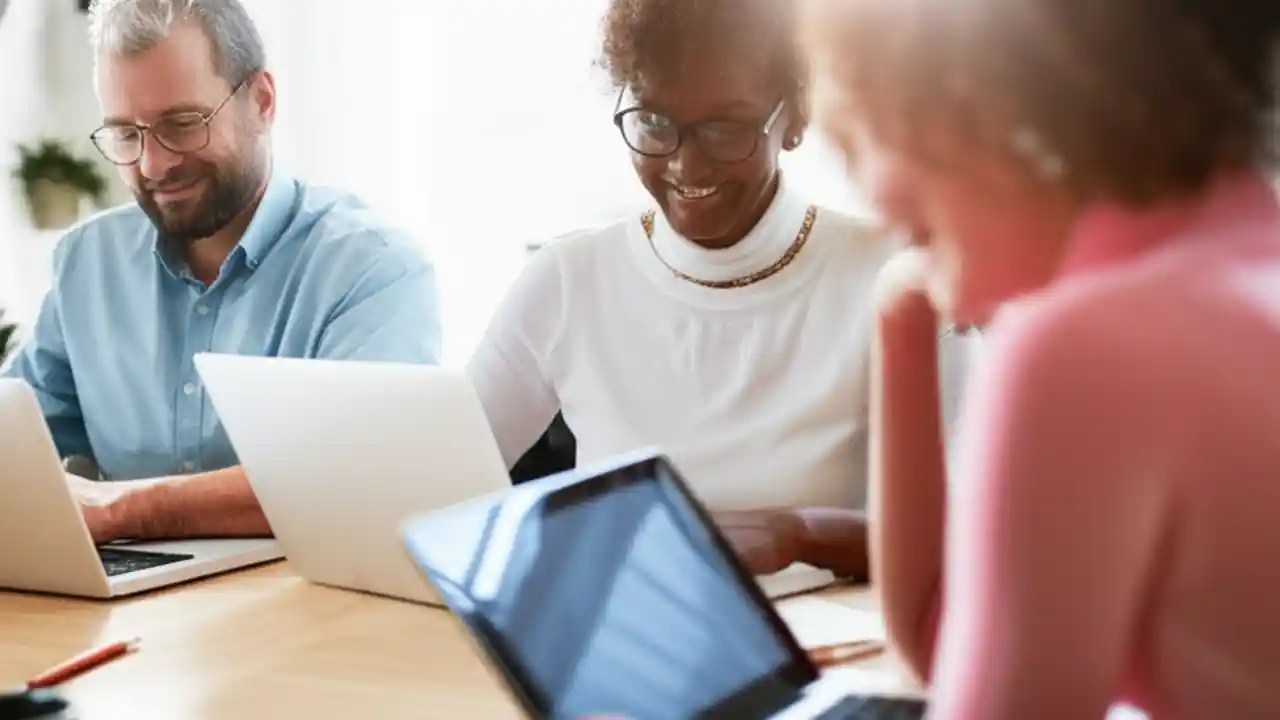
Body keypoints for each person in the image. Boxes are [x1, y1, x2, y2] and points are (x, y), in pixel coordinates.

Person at [805, 0, 1280, 717]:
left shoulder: (1089, 350)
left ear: (963, 96)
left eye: (854, 136)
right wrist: (901, 315)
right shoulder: (1240, 267)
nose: (871, 206)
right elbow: (954, 642)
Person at [466, 0, 973, 579]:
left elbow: (973, 531)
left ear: (798, 116)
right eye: (655, 123)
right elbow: (439, 488)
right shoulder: (567, 280)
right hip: (626, 630)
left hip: (828, 643)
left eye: (724, 130)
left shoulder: (897, 277)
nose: (685, 165)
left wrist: (797, 534)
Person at [0, 0, 440, 544]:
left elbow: (358, 476)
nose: (153, 165)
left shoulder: (373, 270)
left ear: (261, 101)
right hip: (133, 615)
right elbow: (15, 442)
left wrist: (122, 509)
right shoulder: (86, 265)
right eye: (125, 135)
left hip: (309, 613)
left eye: (182, 125)